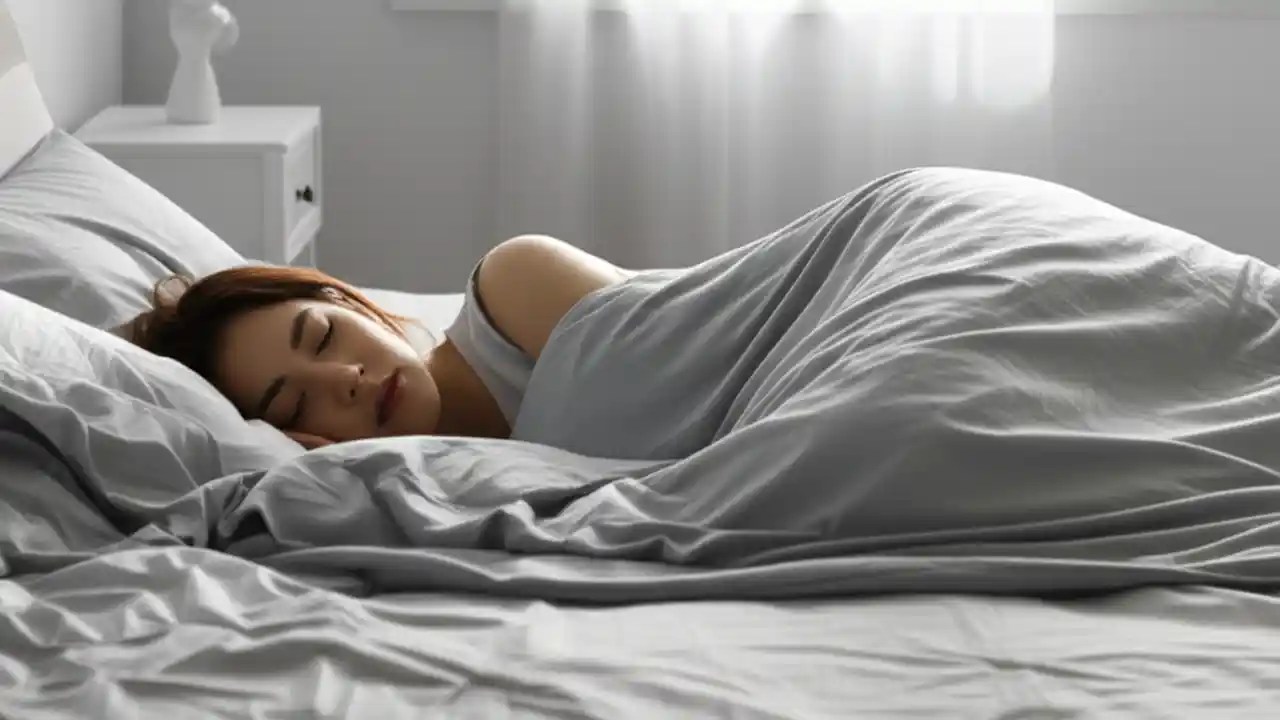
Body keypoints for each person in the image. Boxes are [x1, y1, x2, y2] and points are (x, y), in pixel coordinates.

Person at [125, 235, 633, 449]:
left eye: (324, 337)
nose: (346, 378)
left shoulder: (513, 284)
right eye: (296, 405)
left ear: (349, 303)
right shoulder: (434, 493)